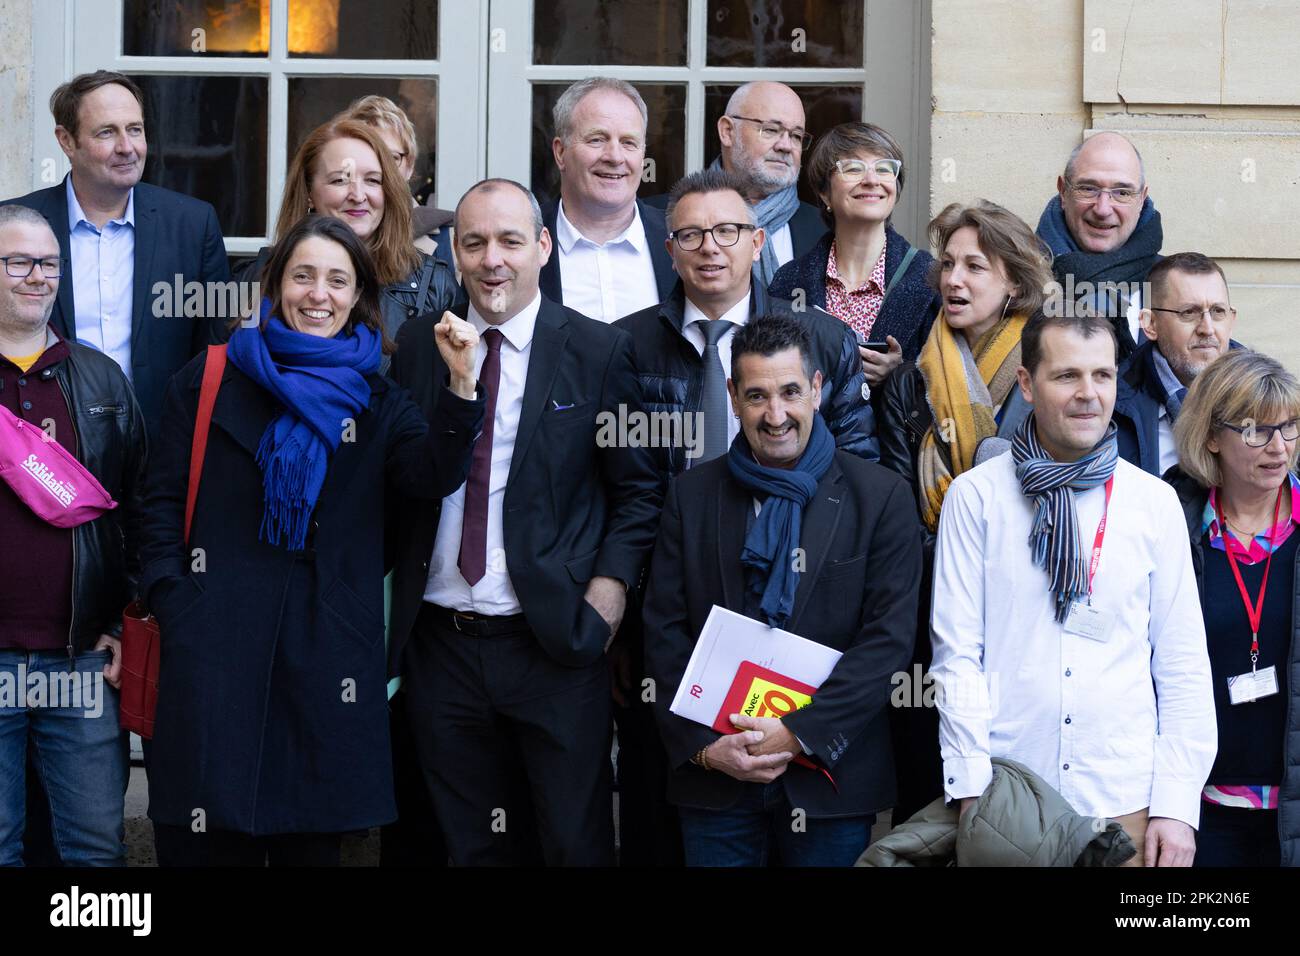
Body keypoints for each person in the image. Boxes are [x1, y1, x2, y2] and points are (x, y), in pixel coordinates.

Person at [137, 214, 484, 866]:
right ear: (275, 283)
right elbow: (157, 506)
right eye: (302, 276)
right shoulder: (208, 380)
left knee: (312, 848)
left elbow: (431, 475)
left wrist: (462, 386)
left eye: (336, 280)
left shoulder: (378, 401)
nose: (317, 294)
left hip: (325, 660)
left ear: (358, 295)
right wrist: (175, 602)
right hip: (213, 654)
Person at [389, 179, 663, 866]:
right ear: (454, 253)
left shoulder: (598, 352)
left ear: (543, 247)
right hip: (441, 644)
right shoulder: (422, 347)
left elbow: (637, 491)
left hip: (554, 643)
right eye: (475, 242)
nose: (492, 260)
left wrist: (610, 591)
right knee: (466, 848)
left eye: (511, 240)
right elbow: (410, 479)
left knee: (573, 843)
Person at [930, 310, 1217, 867]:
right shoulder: (975, 498)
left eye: (1103, 376)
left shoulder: (1153, 502)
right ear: (1027, 384)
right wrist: (970, 789)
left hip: (1127, 801)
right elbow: (957, 655)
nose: (1089, 394)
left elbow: (1182, 664)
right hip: (1011, 800)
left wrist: (1178, 807)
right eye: (1067, 377)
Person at [642, 313, 921, 866]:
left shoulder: (881, 496)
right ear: (733, 396)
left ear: (817, 390)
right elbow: (663, 632)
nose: (776, 416)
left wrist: (798, 733)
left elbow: (887, 641)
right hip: (716, 778)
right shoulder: (690, 496)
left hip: (829, 782)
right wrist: (704, 748)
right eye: (757, 396)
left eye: (791, 392)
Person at [876, 199, 1054, 823]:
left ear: (1014, 282)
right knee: (928, 807)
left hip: (1028, 612)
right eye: (948, 264)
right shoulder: (911, 381)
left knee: (1021, 812)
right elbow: (900, 509)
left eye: (976, 266)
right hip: (930, 615)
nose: (954, 279)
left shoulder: (1048, 373)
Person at [0, 204, 146, 866]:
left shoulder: (99, 378)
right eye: (18, 262)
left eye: (49, 263)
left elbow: (143, 507)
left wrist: (125, 618)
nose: (38, 277)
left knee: (94, 850)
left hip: (80, 661)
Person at [0, 70, 230, 433]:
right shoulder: (13, 227)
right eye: (107, 132)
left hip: (160, 450)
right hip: (45, 447)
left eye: (135, 129)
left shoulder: (193, 224)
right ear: (66, 140)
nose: (128, 147)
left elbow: (215, 346)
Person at [617, 169, 876, 477]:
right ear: (672, 253)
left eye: (727, 231)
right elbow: (624, 481)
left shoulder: (827, 341)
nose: (709, 247)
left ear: (756, 244)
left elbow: (855, 471)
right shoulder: (625, 344)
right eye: (690, 235)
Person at [1167, 350, 1300, 867]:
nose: (1278, 447)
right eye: (1254, 431)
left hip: (1291, 809)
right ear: (1210, 437)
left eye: (1288, 427)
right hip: (1197, 810)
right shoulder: (1172, 526)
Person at [233, 118, 460, 366]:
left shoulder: (433, 285)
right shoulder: (256, 278)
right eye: (339, 180)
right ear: (309, 191)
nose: (358, 196)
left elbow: (449, 389)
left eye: (372, 180)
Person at [768, 121, 940, 392]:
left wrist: (902, 373)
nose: (872, 180)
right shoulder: (789, 281)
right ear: (825, 192)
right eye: (853, 168)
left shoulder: (930, 278)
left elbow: (955, 381)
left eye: (884, 169)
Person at [646, 82, 826, 284]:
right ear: (727, 131)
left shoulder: (824, 231)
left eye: (796, 136)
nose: (785, 146)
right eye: (771, 130)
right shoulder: (656, 221)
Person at [538, 78, 675, 322]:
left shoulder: (682, 241)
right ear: (560, 153)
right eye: (597, 139)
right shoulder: (523, 243)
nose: (614, 157)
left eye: (628, 143)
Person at [1035, 132, 1163, 359]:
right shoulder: (1018, 280)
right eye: (1088, 188)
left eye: (1122, 192)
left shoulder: (1169, 285)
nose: (1103, 209)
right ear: (1063, 192)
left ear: (1142, 199)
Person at [1114, 252, 1241, 478]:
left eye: (1218, 311)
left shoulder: (1269, 397)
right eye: (1188, 313)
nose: (1207, 328)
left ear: (1232, 320)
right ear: (1150, 324)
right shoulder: (1112, 403)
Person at [335, 94, 456, 270]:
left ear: (410, 165)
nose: (378, 169)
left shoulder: (451, 241)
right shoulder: (318, 236)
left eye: (391, 158)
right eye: (367, 157)